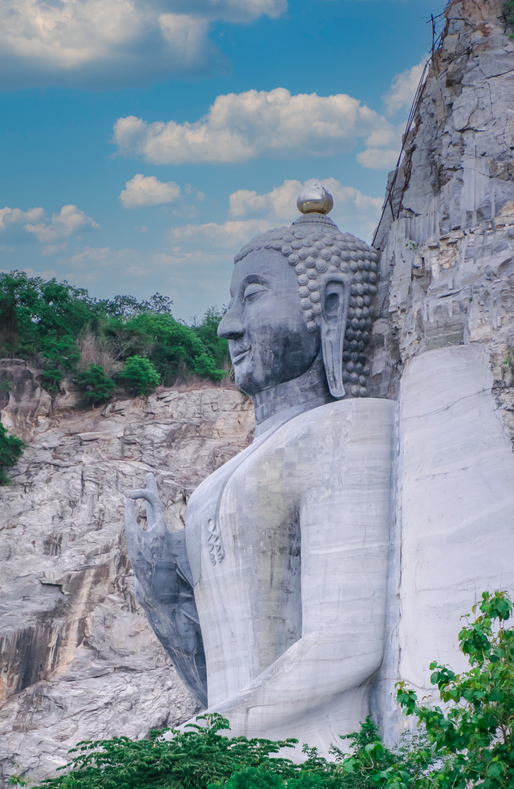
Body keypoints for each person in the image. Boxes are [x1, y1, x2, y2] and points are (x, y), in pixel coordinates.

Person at [125, 182, 393, 753]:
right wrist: (164, 591)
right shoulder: (211, 489)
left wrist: (194, 748)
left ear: (330, 308)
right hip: (233, 769)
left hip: (315, 772)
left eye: (252, 297)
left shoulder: (349, 429)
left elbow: (349, 643)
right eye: (230, 301)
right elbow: (212, 685)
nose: (227, 326)